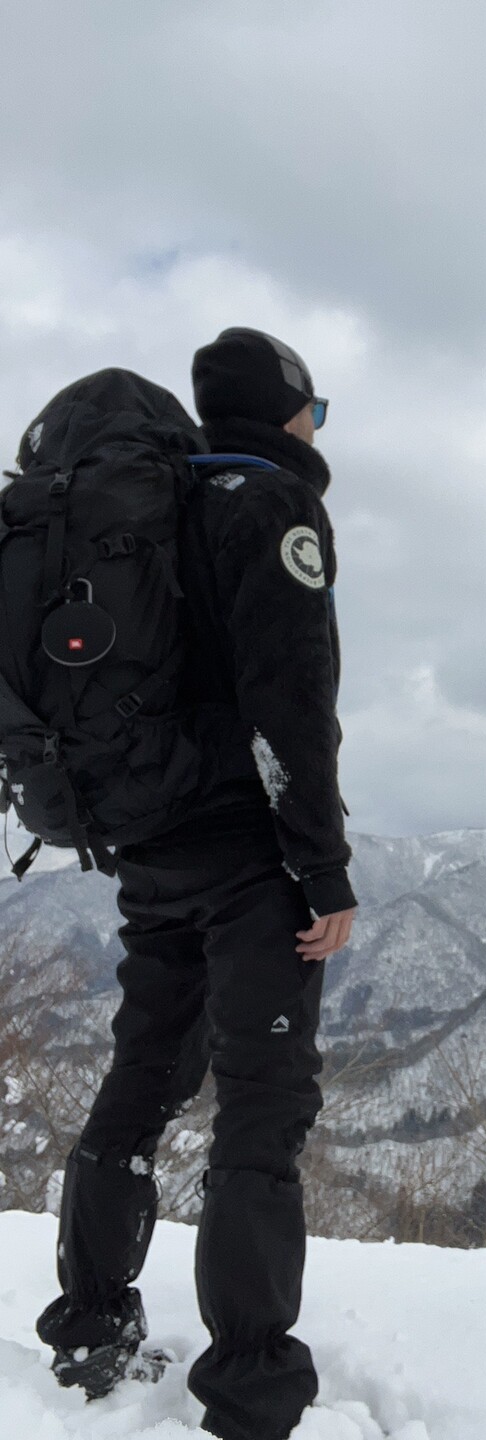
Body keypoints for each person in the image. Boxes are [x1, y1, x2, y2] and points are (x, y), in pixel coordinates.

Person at [34, 328, 357, 1440]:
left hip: (148, 848)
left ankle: (87, 1323)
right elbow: (291, 705)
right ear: (285, 410)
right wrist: (323, 869)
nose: (321, 430)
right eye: (318, 409)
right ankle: (254, 1389)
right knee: (259, 1118)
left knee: (140, 1086)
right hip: (243, 856)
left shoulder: (166, 507)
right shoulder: (265, 506)